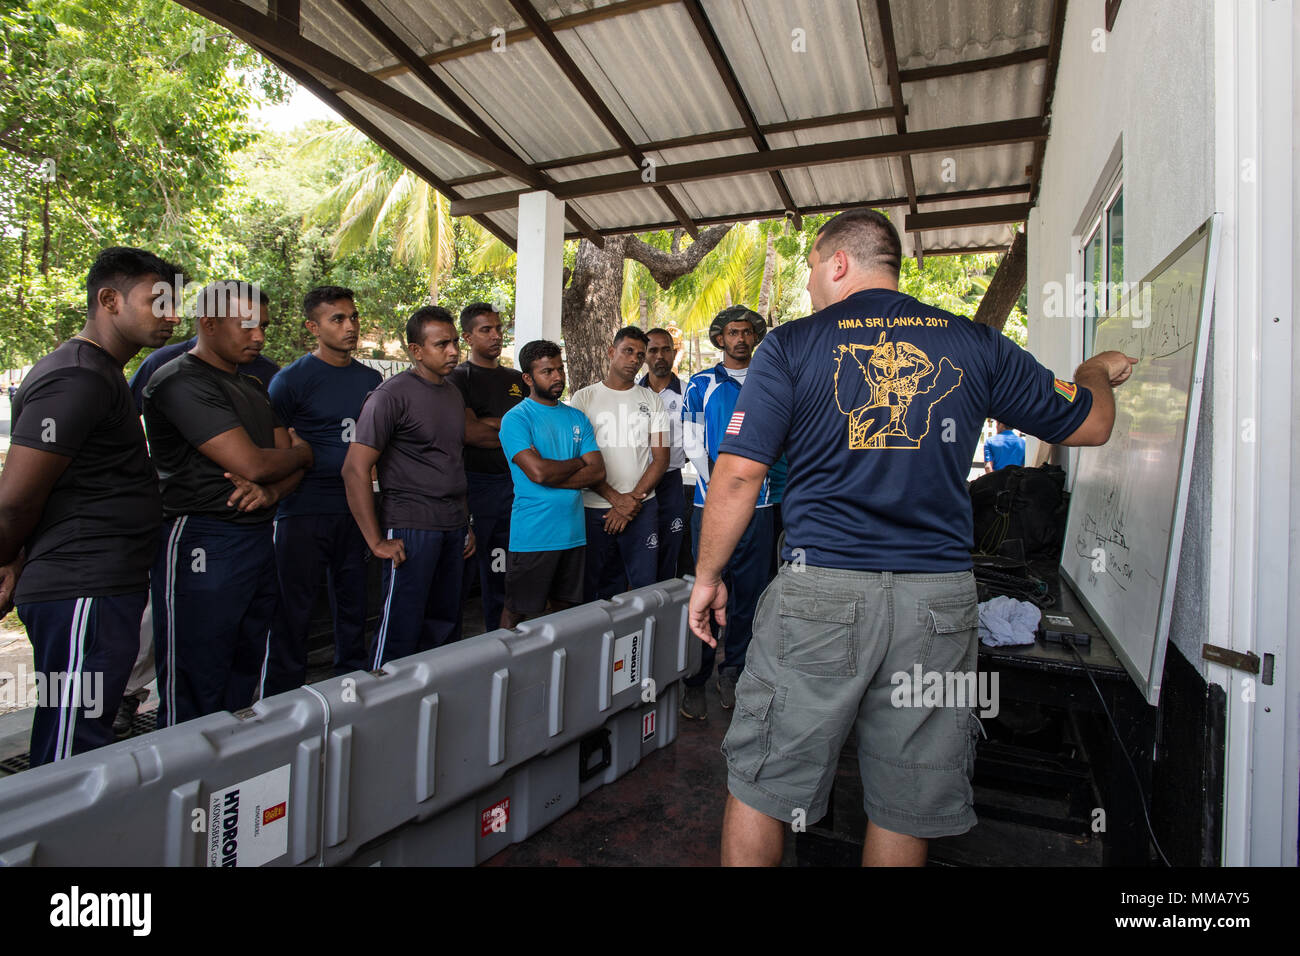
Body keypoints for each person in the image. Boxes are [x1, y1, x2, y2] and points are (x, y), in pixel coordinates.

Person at [688, 207, 1137, 867]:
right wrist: (1093, 368)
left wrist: (706, 579)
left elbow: (737, 476)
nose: (811, 282)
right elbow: (1092, 423)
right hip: (937, 603)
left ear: (837, 261)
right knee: (905, 799)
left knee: (764, 783)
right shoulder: (974, 343)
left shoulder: (792, 344)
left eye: (812, 267)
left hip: (821, 596)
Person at [0, 247, 181, 764]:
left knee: (84, 730)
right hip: (82, 587)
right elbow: (14, 500)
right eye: (158, 302)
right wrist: (8, 556)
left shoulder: (104, 374)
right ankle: (54, 839)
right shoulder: (76, 377)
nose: (171, 316)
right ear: (109, 300)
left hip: (104, 585)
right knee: (71, 742)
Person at [143, 280, 309, 728]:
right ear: (209, 323)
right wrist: (294, 455)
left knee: (245, 664)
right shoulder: (180, 380)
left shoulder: (254, 385)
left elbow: (287, 467)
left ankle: (230, 778)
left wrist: (275, 486)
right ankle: (180, 779)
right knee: (196, 675)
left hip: (256, 534)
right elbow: (255, 462)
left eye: (264, 327)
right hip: (202, 535)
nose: (259, 337)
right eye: (248, 326)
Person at [261, 286, 382, 694]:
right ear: (313, 327)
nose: (350, 327)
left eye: (353, 317)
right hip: (303, 508)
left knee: (353, 602)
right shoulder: (289, 381)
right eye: (338, 319)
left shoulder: (371, 379)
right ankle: (283, 693)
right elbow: (279, 448)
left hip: (357, 506)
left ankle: (350, 682)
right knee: (293, 607)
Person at [342, 306, 474, 668]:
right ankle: (382, 715)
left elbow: (452, 461)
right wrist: (375, 540)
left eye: (455, 343)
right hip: (411, 525)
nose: (452, 351)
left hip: (452, 526)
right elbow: (355, 469)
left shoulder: (452, 393)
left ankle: (433, 709)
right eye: (441, 344)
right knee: (400, 631)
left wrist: (466, 524)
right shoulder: (390, 395)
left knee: (445, 630)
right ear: (416, 351)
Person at [679, 306, 777, 721]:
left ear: (755, 336)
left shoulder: (772, 382)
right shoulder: (700, 384)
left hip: (762, 506)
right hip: (710, 505)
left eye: (747, 332)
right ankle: (695, 679)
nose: (740, 339)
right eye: (732, 332)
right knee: (708, 586)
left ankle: (733, 671)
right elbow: (692, 441)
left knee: (751, 595)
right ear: (720, 338)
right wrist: (722, 487)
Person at [497, 340, 604, 629]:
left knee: (565, 613)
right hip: (533, 534)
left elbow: (597, 472)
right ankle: (500, 669)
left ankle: (559, 671)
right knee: (516, 610)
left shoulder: (576, 417)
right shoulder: (516, 419)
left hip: (573, 533)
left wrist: (554, 471)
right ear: (528, 378)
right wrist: (577, 461)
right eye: (547, 371)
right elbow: (539, 473)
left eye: (560, 368)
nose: (558, 377)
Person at [571, 327, 669, 602]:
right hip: (594, 507)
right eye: (628, 351)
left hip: (642, 507)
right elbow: (578, 459)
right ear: (611, 352)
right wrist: (617, 500)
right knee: (594, 589)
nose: (635, 360)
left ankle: (640, 644)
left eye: (640, 355)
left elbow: (660, 460)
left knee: (644, 589)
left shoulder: (652, 400)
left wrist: (630, 502)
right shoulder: (583, 399)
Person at [447, 302, 526, 633]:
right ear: (467, 336)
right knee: (466, 570)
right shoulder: (458, 378)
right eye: (486, 330)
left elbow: (531, 432)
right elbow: (469, 433)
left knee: (507, 568)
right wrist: (509, 432)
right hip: (476, 486)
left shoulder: (515, 380)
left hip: (515, 485)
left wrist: (492, 425)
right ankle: (453, 651)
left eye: (498, 329)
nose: (496, 336)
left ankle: (503, 641)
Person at [639, 328, 688, 581]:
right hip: (637, 484)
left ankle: (668, 615)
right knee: (640, 557)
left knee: (670, 555)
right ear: (644, 355)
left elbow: (697, 440)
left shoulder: (689, 394)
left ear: (674, 352)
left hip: (671, 482)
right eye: (653, 350)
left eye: (666, 349)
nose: (660, 356)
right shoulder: (631, 395)